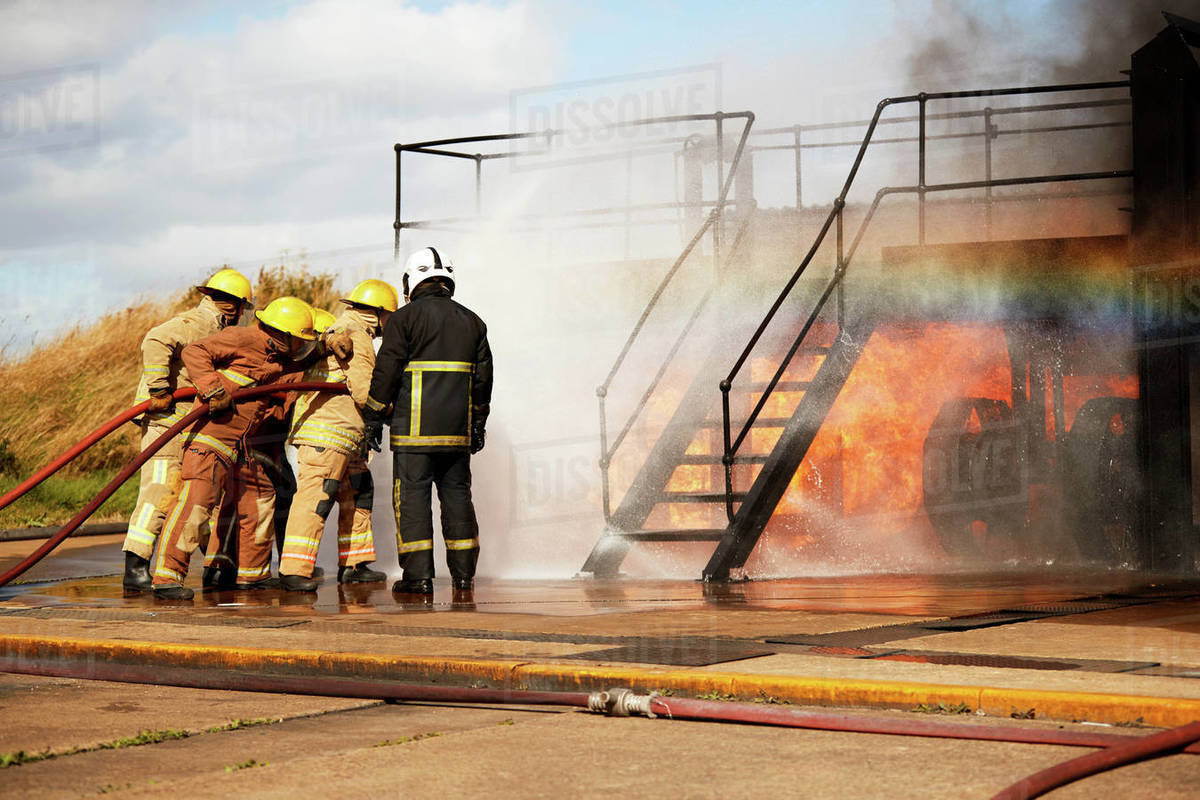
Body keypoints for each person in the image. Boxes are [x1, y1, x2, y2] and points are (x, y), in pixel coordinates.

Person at [149, 296, 317, 600]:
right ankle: (167, 578)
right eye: (297, 340)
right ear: (283, 333)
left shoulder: (282, 361)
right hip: (211, 439)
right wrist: (212, 389)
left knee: (260, 505)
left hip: (247, 449)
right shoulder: (243, 337)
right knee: (197, 504)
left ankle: (252, 576)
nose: (299, 347)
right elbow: (194, 350)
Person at [365, 247, 492, 597]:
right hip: (456, 436)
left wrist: (373, 417)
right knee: (457, 499)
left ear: (411, 280)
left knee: (412, 502)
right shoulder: (473, 321)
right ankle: (464, 577)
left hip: (413, 437)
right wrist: (477, 424)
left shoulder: (403, 320)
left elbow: (386, 372)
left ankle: (418, 578)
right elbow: (483, 381)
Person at [122, 268, 253, 591]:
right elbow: (155, 340)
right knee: (159, 491)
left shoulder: (214, 327)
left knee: (183, 496)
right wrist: (158, 390)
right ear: (234, 307)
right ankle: (136, 567)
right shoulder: (199, 324)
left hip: (184, 423)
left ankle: (192, 563)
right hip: (167, 421)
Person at [278, 282, 399, 592]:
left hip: (346, 436)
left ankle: (354, 564)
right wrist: (396, 411)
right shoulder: (355, 333)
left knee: (358, 492)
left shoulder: (344, 328)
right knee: (316, 497)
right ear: (379, 314)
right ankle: (294, 570)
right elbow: (364, 390)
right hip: (327, 434)